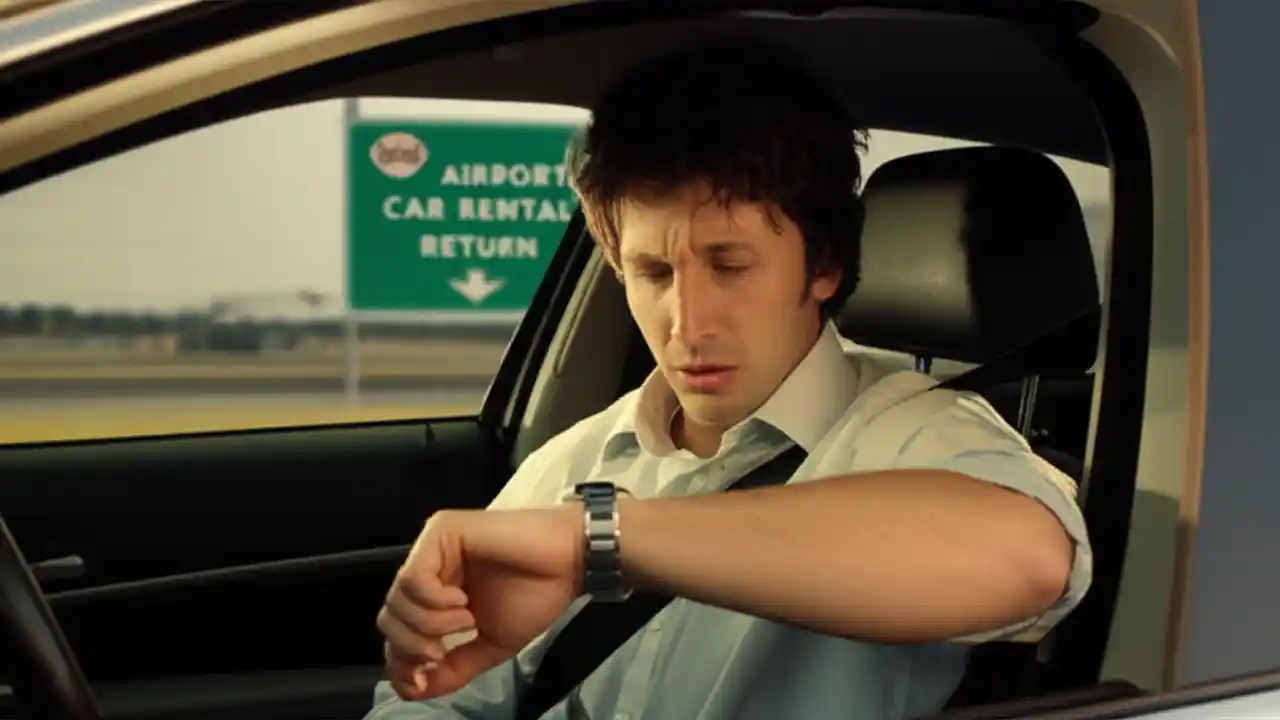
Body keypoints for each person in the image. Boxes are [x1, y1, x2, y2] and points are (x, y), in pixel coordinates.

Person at [365, 38, 1092, 720]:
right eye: (652, 273)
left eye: (730, 266)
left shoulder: (917, 440)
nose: (687, 323)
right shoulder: (576, 460)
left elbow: (1032, 558)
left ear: (825, 266)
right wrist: (424, 665)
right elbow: (433, 698)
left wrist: (598, 541)